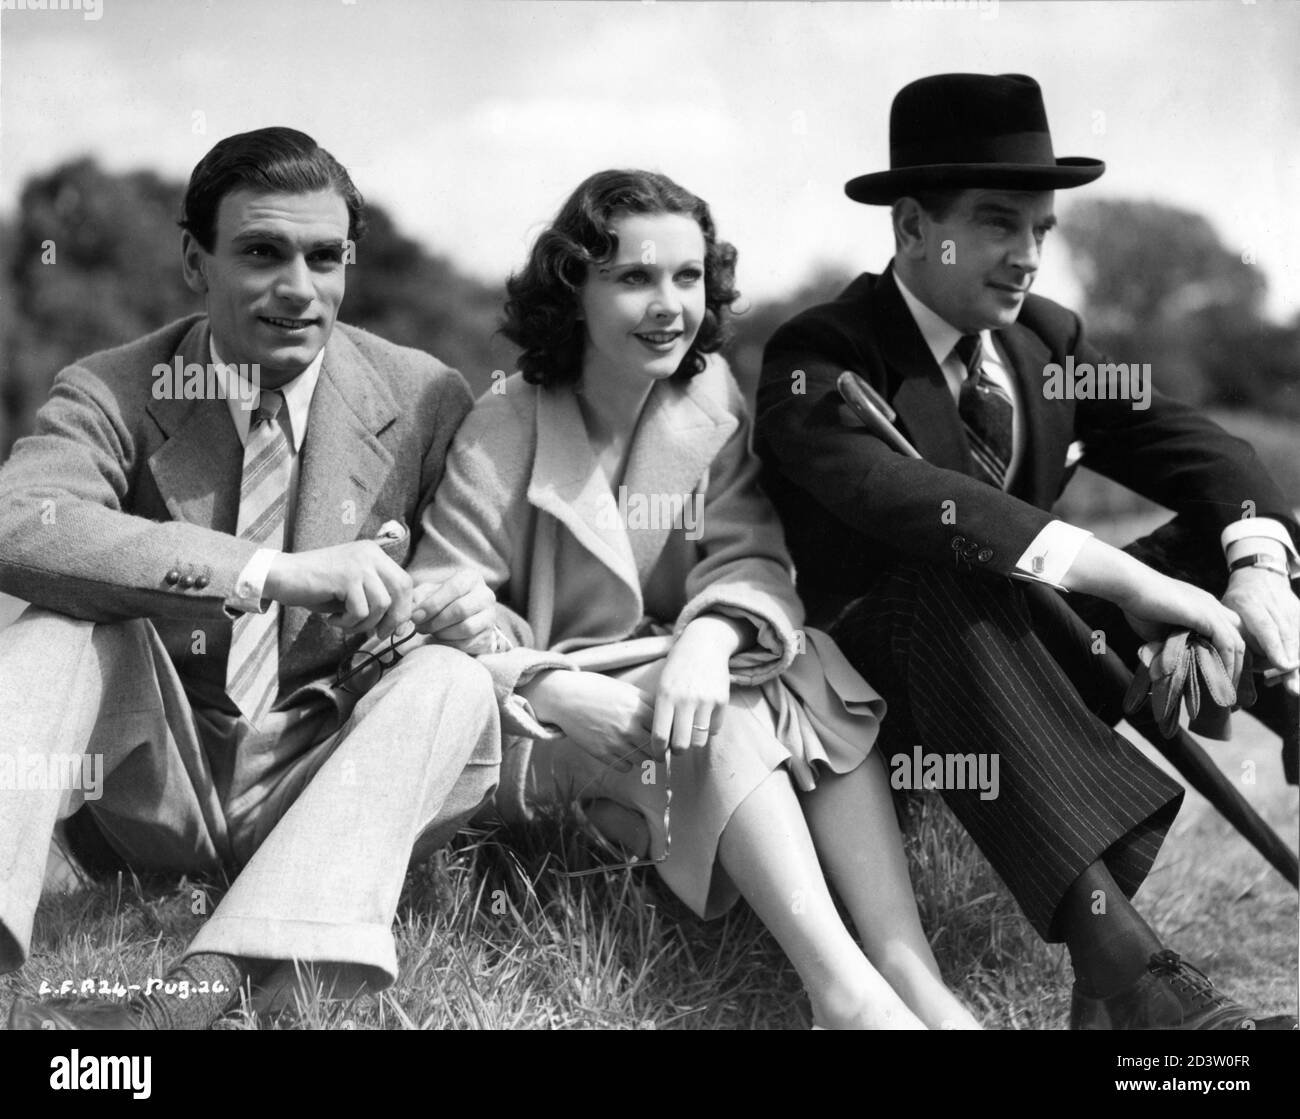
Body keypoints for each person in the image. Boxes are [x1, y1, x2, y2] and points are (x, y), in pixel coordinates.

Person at [754, 72, 1299, 1030]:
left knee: (1256, 524)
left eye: (1043, 230)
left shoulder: (1048, 342)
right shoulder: (821, 352)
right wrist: (1138, 587)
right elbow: (924, 507)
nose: (1029, 256)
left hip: (1040, 654)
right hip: (895, 694)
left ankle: (1283, 703)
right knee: (953, 573)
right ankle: (1126, 971)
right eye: (1001, 223)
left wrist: (1250, 571)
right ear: (914, 226)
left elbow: (1204, 450)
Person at [409, 169, 981, 1030]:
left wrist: (708, 639)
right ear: (574, 291)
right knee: (738, 709)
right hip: (541, 724)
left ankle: (914, 978)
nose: (670, 304)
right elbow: (432, 610)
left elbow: (750, 556)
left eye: (687, 276)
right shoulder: (506, 423)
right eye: (635, 278)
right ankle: (847, 996)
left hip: (680, 693)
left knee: (796, 671)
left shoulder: (706, 396)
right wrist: (546, 683)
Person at [1, 127, 502, 1030]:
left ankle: (206, 986)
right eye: (262, 253)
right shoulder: (112, 386)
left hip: (325, 778)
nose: (298, 290)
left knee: (456, 679)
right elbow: (19, 525)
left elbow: (469, 591)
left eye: (324, 256)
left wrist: (468, 609)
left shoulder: (427, 395)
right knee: (50, 627)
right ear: (196, 261)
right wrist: (272, 571)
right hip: (153, 783)